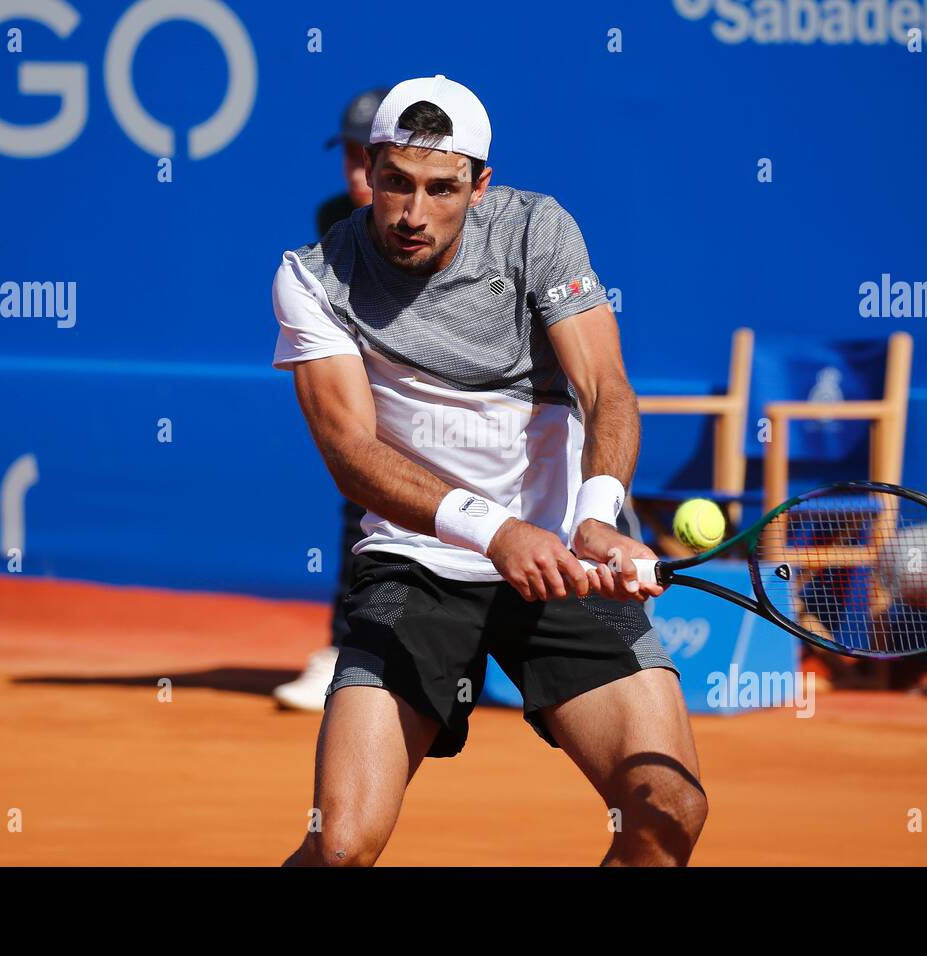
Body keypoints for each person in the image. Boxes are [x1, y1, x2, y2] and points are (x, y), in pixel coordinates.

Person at [270, 75, 707, 866]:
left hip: (565, 560)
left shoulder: (538, 231)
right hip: (419, 563)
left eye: (442, 188)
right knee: (340, 844)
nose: (411, 212)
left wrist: (598, 515)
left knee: (667, 812)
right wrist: (496, 530)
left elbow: (606, 387)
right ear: (369, 168)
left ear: (480, 186)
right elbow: (351, 454)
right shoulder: (313, 276)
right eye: (394, 182)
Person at [272, 87, 388, 712]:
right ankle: (350, 652)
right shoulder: (333, 222)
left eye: (366, 158)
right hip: (381, 398)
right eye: (347, 157)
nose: (353, 175)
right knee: (363, 499)